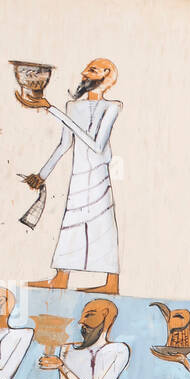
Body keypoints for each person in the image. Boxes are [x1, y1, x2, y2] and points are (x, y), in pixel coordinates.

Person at [22, 58, 123, 294]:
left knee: (102, 223)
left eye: (92, 70)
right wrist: (42, 174)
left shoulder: (113, 106)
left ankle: (111, 282)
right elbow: (64, 144)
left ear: (107, 75)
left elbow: (97, 145)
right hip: (79, 172)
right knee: (71, 222)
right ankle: (60, 277)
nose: (84, 73)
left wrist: (53, 111)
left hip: (98, 173)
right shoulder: (72, 107)